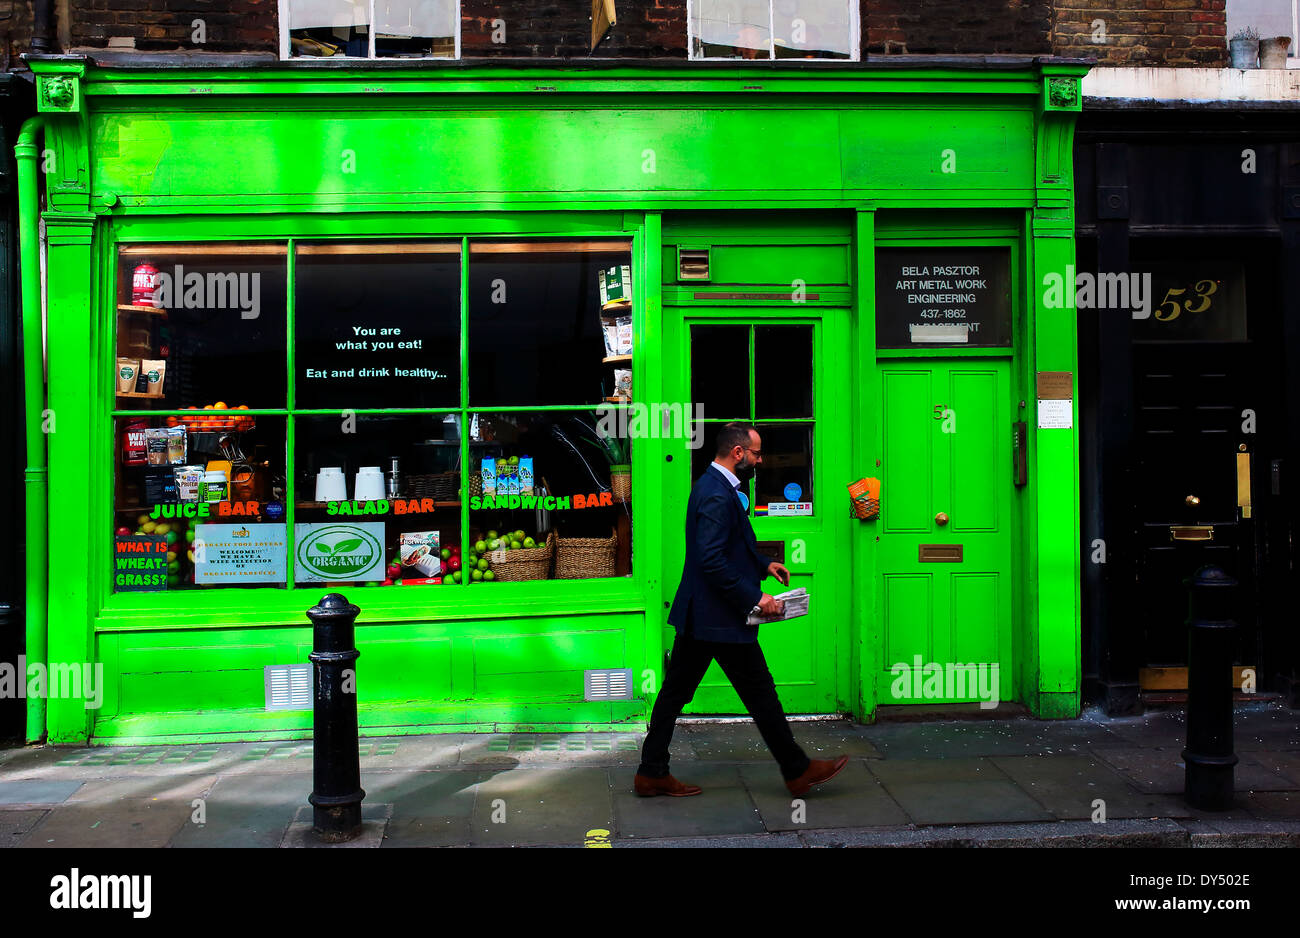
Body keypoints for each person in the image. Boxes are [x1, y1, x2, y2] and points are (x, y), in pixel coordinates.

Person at [634, 422, 848, 798]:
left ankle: (651, 772)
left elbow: (728, 545)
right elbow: (712, 560)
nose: (760, 459)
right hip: (719, 618)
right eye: (756, 453)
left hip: (704, 616)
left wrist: (764, 563)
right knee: (759, 693)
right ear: (738, 453)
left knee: (676, 693)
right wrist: (756, 597)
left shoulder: (715, 486)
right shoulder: (716, 493)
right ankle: (796, 770)